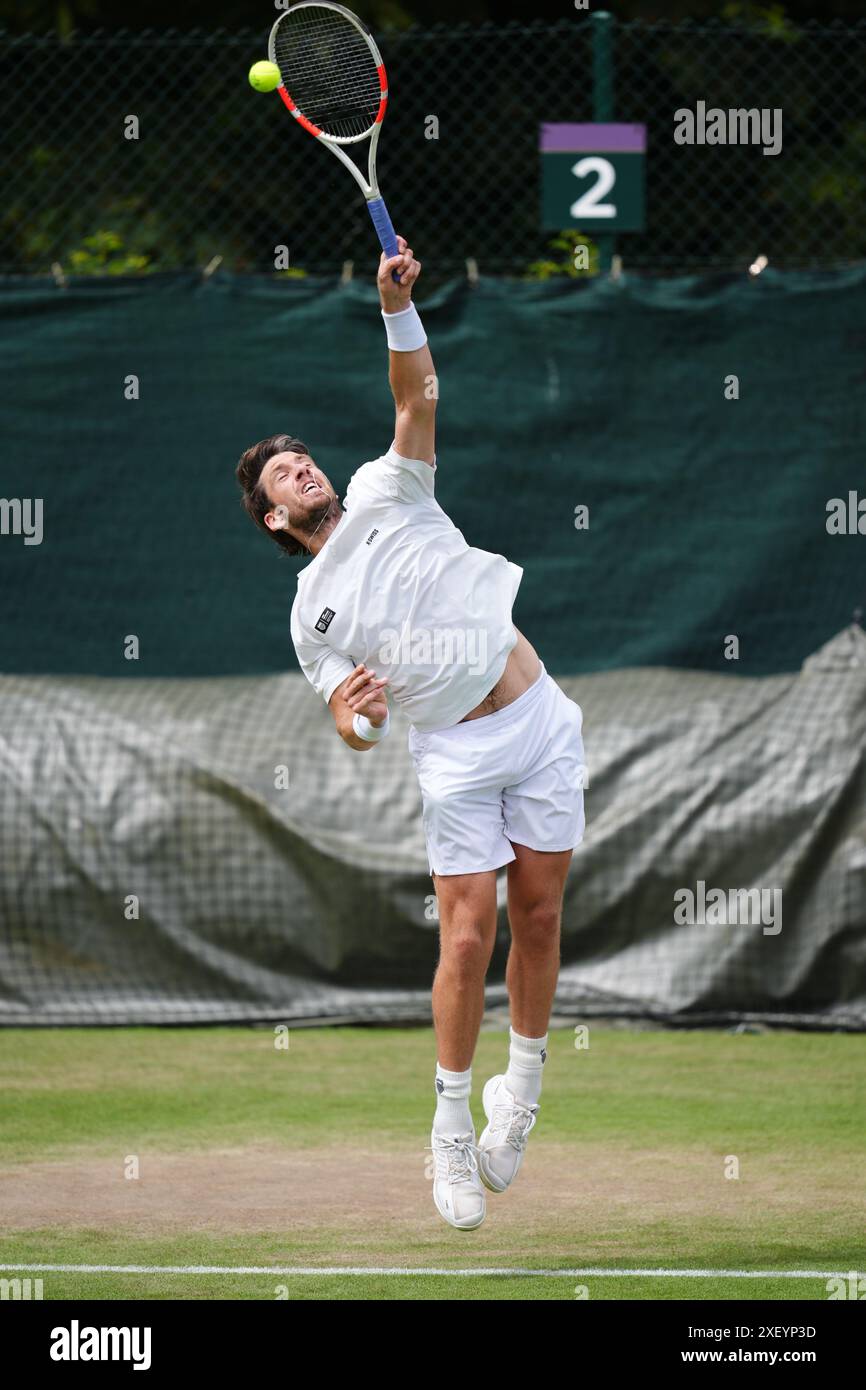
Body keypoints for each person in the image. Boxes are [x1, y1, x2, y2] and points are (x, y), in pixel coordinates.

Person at [236, 236, 586, 1230]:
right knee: (468, 934)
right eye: (280, 477)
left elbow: (415, 399)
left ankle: (514, 1101)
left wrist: (396, 307)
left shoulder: (390, 486)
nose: (297, 469)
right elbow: (345, 721)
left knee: (543, 916)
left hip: (536, 718)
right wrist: (359, 718)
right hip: (453, 753)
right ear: (272, 520)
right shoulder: (308, 611)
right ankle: (444, 1131)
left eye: (298, 457)